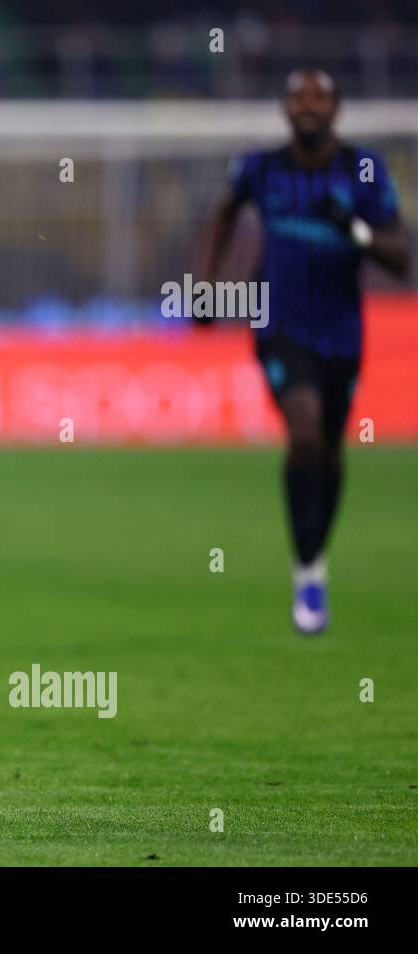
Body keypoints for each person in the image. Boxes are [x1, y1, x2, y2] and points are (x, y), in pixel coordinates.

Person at [201, 68, 409, 635]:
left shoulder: (362, 170)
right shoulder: (260, 168)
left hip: (342, 333)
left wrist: (358, 232)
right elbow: (222, 213)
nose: (309, 107)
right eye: (299, 98)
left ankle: (314, 559)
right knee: (307, 433)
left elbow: (400, 255)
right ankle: (307, 573)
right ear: (285, 109)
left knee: (332, 450)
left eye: (320, 97)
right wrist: (206, 284)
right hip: (279, 327)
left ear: (338, 109)